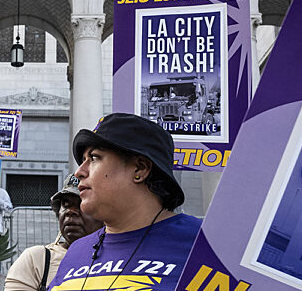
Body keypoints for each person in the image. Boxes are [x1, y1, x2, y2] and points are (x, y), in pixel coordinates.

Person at [46, 113, 201, 291]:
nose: (79, 172)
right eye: (83, 160)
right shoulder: (77, 250)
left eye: (94, 158)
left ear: (140, 169)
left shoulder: (204, 243)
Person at [4, 174, 102, 291]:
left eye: (82, 203)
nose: (70, 211)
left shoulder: (123, 258)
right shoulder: (36, 259)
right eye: (65, 204)